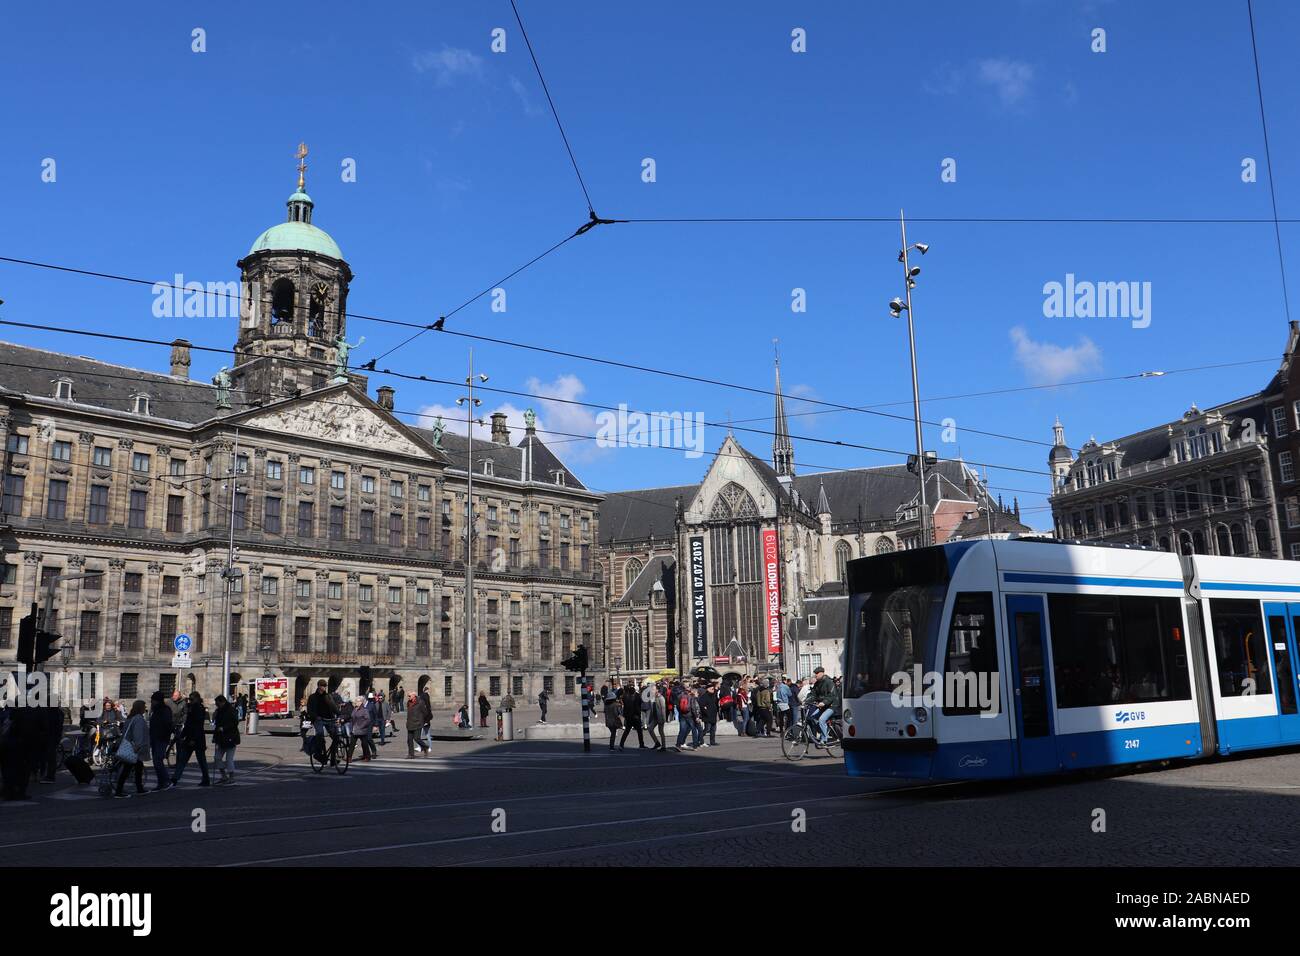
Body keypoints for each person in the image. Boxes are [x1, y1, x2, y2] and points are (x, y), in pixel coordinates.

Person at [170, 691, 210, 787]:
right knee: (185, 759)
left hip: (195, 738)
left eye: (191, 699)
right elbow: (188, 724)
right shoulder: (194, 708)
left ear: (196, 699)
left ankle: (205, 779)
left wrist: (191, 738)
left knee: (200, 760)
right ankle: (175, 778)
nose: (190, 701)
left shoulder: (198, 709)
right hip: (192, 737)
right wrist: (182, 735)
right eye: (189, 699)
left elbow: (196, 725)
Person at [113, 700, 149, 798]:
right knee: (128, 769)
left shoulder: (130, 717)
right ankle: (119, 791)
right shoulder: (138, 719)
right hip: (134, 747)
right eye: (144, 706)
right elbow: (138, 733)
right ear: (140, 707)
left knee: (136, 767)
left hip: (129, 745)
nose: (145, 708)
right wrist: (138, 745)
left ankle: (139, 788)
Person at [305, 680, 339, 760]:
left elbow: (334, 707)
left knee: (336, 737)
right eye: (322, 686)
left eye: (325, 686)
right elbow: (310, 710)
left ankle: (333, 759)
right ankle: (318, 754)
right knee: (320, 735)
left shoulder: (328, 696)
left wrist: (340, 714)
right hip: (318, 719)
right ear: (319, 686)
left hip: (329, 719)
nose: (324, 687)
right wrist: (316, 717)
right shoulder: (312, 697)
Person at [211, 694, 240, 785]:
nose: (217, 705)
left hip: (231, 738)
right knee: (217, 757)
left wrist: (224, 728)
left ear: (222, 702)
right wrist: (215, 737)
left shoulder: (231, 710)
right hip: (221, 738)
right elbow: (216, 725)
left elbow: (235, 723)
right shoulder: (218, 711)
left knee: (229, 759)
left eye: (217, 704)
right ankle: (223, 775)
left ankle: (232, 777)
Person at [148, 692, 173, 791]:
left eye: (153, 700)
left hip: (161, 738)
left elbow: (167, 725)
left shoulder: (165, 710)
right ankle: (161, 782)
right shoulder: (156, 710)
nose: (152, 702)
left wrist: (164, 735)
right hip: (155, 737)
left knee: (158, 760)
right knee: (156, 760)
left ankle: (166, 781)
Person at [810, 667, 839, 742]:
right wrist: (806, 701)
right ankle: (823, 732)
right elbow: (813, 694)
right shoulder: (817, 683)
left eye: (816, 673)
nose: (815, 675)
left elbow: (832, 695)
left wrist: (824, 702)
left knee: (821, 719)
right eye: (815, 673)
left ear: (821, 673)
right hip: (823, 706)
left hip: (832, 706)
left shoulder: (829, 682)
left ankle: (824, 739)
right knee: (812, 717)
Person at [618, 681, 646, 750]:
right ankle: (641, 745)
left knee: (627, 731)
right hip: (635, 716)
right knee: (639, 731)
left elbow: (624, 703)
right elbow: (639, 705)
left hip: (629, 716)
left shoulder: (625, 696)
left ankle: (621, 744)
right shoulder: (637, 696)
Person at [406, 692, 430, 758]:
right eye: (408, 696)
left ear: (414, 696)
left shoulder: (420, 702)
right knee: (409, 740)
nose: (408, 697)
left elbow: (425, 712)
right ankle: (411, 754)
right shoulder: (408, 703)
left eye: (409, 696)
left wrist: (423, 721)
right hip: (410, 724)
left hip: (418, 724)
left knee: (417, 738)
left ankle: (425, 747)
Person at [351, 695, 374, 761]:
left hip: (363, 729)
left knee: (365, 743)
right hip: (355, 729)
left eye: (357, 701)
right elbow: (352, 718)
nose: (356, 702)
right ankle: (349, 757)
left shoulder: (366, 709)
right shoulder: (355, 709)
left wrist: (362, 726)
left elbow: (368, 719)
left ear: (361, 702)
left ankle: (368, 755)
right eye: (356, 701)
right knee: (352, 744)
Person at [644, 682, 666, 751]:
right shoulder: (653, 697)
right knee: (650, 729)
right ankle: (657, 743)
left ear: (657, 690)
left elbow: (663, 709)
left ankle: (664, 746)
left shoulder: (661, 698)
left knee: (661, 731)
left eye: (653, 689)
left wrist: (664, 718)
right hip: (655, 717)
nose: (651, 691)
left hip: (660, 717)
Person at [698, 683, 719, 748]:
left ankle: (712, 742)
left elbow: (716, 690)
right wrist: (706, 712)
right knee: (707, 729)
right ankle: (699, 740)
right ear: (707, 689)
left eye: (713, 688)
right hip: (707, 715)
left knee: (713, 729)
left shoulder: (713, 695)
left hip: (713, 714)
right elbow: (702, 705)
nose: (713, 689)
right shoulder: (704, 696)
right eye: (711, 688)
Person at [603, 685, 622, 751]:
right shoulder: (616, 705)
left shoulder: (606, 705)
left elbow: (605, 712)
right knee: (613, 734)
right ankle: (611, 746)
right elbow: (619, 713)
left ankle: (612, 746)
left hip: (608, 721)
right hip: (614, 721)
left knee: (613, 733)